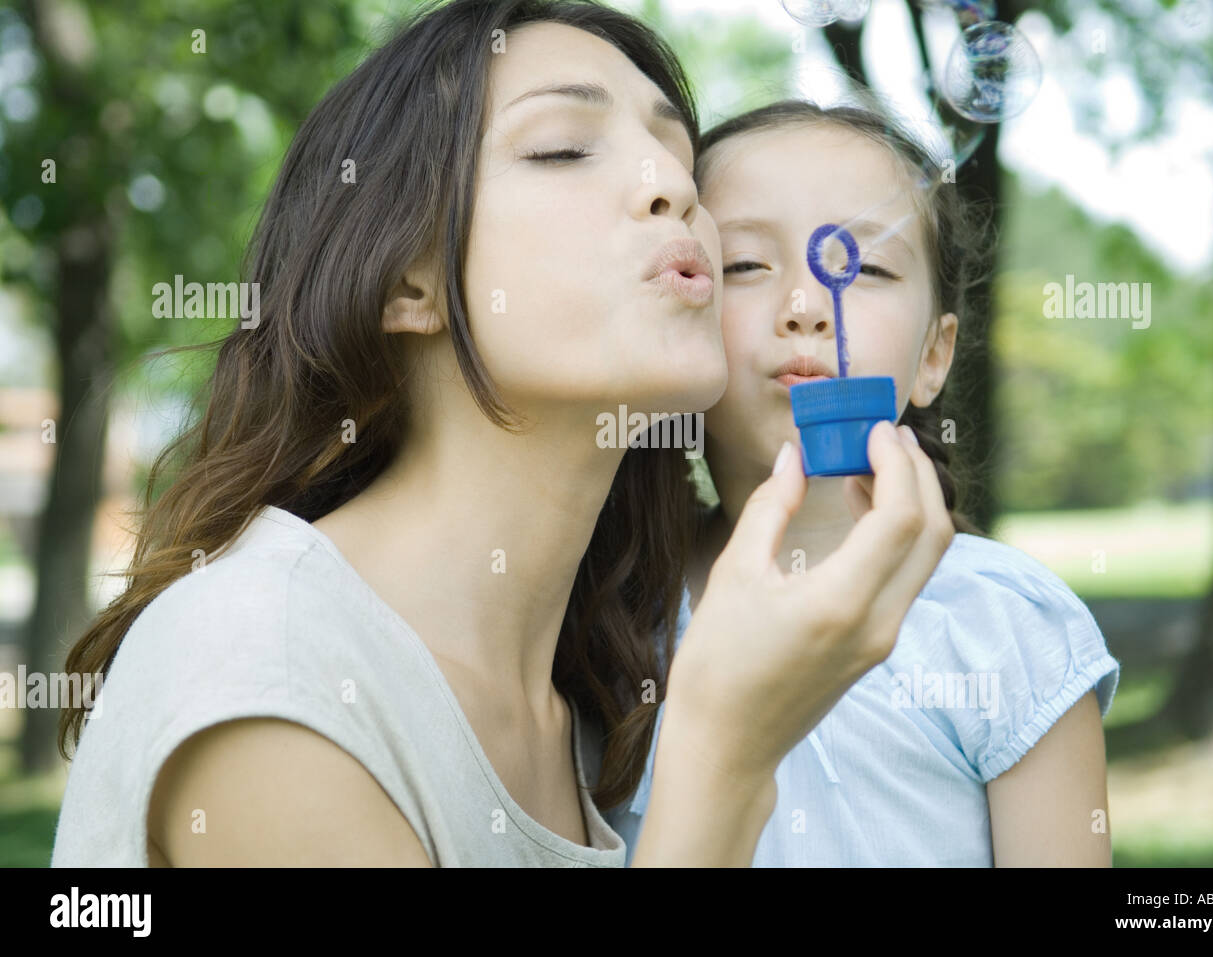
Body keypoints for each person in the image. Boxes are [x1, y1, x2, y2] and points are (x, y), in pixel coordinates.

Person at [49, 1, 951, 867]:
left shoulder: (592, 700)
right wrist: (726, 754)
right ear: (409, 281)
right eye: (563, 148)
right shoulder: (268, 667)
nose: (675, 188)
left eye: (678, 156)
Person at [605, 98, 1122, 866]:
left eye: (867, 267)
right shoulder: (611, 619)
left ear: (934, 356)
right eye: (745, 264)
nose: (808, 306)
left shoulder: (1003, 624)